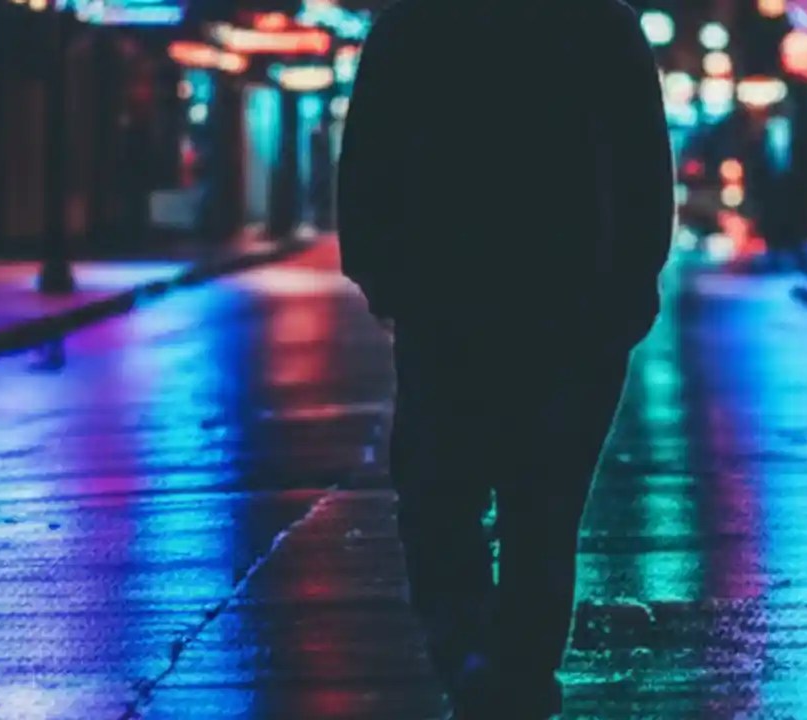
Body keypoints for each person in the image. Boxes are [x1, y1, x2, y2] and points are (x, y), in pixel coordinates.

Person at [336, 0, 673, 717]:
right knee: (541, 512)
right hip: (566, 306)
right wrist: (632, 283)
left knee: (443, 500)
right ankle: (515, 674)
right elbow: (644, 163)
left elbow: (367, 158)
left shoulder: (415, 22)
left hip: (457, 305)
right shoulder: (598, 22)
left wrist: (382, 273)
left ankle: (479, 664)